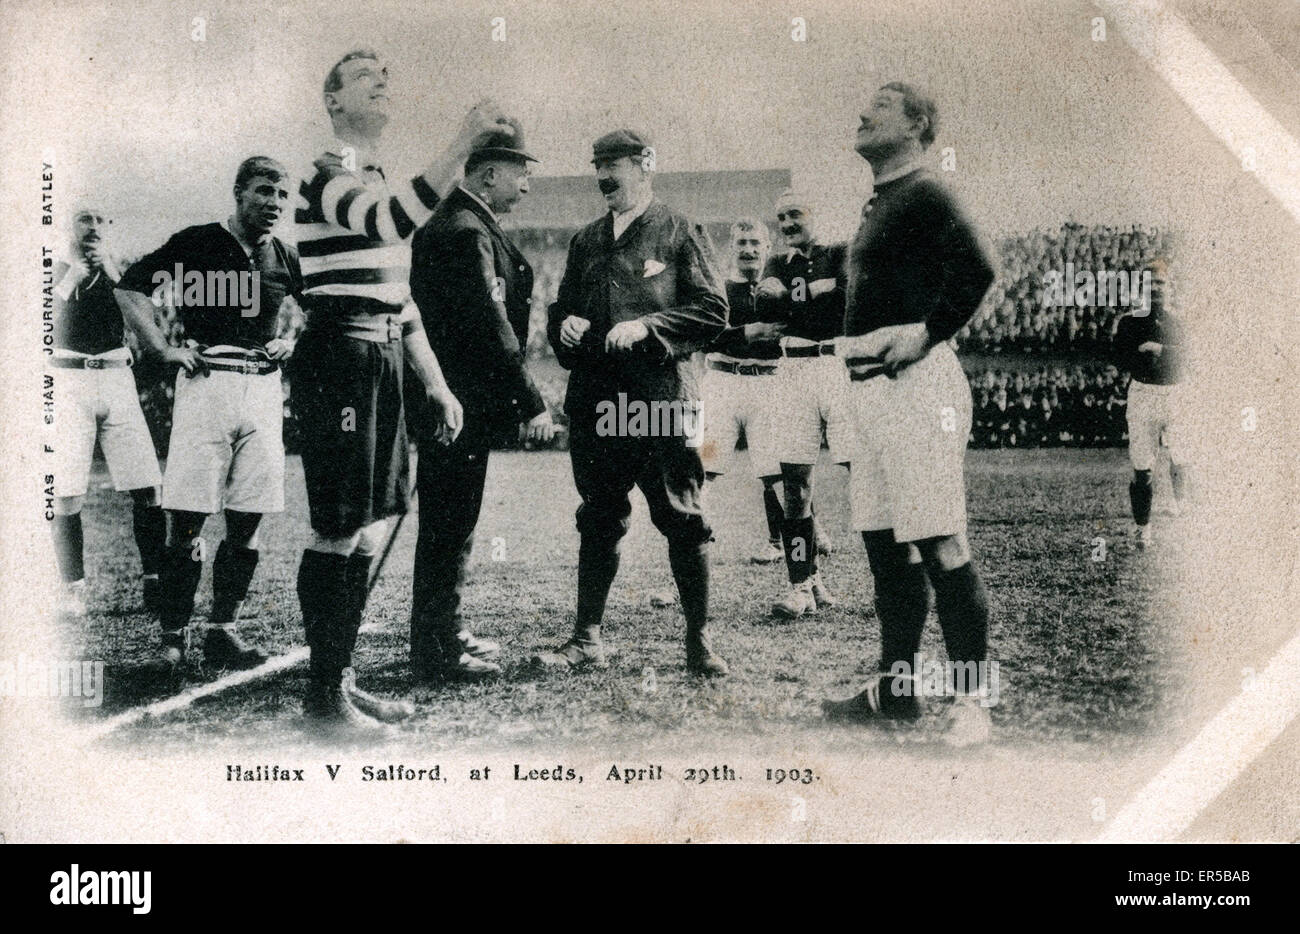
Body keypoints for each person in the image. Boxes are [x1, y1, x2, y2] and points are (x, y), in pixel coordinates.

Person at [291, 47, 510, 731]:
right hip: (340, 358)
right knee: (341, 527)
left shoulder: (379, 178)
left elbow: (401, 300)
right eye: (363, 77)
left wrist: (438, 386)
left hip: (381, 355)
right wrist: (462, 143)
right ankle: (325, 700)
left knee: (368, 529)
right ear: (332, 101)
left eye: (387, 74)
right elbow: (391, 223)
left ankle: (340, 684)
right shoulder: (325, 175)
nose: (382, 81)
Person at [824, 83, 998, 746]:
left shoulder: (927, 189)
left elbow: (979, 268)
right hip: (868, 390)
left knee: (939, 541)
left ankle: (973, 702)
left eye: (883, 102)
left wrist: (927, 332)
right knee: (884, 545)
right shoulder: (881, 199)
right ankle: (896, 692)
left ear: (919, 123)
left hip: (917, 387)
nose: (864, 109)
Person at [538, 129, 730, 676]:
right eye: (596, 163)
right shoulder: (586, 240)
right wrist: (565, 325)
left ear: (645, 164)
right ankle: (587, 637)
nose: (602, 174)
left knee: (681, 516)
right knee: (598, 515)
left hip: (659, 400)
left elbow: (713, 310)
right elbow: (563, 310)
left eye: (613, 163)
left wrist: (648, 326)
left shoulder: (678, 228)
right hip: (599, 401)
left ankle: (699, 641)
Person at [116, 157, 301, 670]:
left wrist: (289, 338)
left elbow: (313, 309)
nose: (274, 204)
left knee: (248, 521)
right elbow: (130, 288)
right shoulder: (196, 242)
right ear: (239, 192)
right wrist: (163, 348)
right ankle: (172, 638)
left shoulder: (283, 254)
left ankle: (224, 629)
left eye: (282, 196)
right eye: (264, 192)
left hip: (264, 390)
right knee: (189, 520)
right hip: (206, 383)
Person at [407, 117, 551, 682]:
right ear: (490, 174)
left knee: (454, 522)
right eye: (522, 172)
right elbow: (492, 329)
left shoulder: (468, 223)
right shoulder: (464, 230)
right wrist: (532, 400)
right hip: (456, 406)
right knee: (449, 522)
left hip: (459, 404)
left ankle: (443, 631)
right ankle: (436, 649)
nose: (528, 183)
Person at [48, 205, 165, 619]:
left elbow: (148, 321)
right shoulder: (51, 269)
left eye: (100, 219)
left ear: (109, 227)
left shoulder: (123, 273)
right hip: (68, 381)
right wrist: (72, 278)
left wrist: (115, 276)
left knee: (148, 486)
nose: (93, 227)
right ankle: (73, 590)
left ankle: (154, 583)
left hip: (117, 379)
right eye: (84, 218)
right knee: (65, 493)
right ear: (68, 225)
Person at [759, 191, 851, 618]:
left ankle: (896, 577)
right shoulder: (777, 262)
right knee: (795, 484)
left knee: (862, 469)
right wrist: (818, 290)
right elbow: (767, 300)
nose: (787, 223)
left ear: (817, 212)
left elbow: (848, 293)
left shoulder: (842, 253)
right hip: (792, 370)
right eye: (780, 217)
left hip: (837, 367)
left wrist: (797, 294)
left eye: (795, 213)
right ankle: (802, 584)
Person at [699, 217, 786, 565]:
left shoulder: (782, 289)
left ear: (767, 246)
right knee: (704, 464)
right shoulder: (717, 289)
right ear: (732, 248)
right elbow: (704, 335)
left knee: (776, 469)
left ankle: (780, 541)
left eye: (755, 243)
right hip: (722, 382)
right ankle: (697, 541)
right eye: (742, 243)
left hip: (768, 382)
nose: (749, 249)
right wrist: (748, 332)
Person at [1114, 261, 1186, 548]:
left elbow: (1194, 355)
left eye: (1161, 284)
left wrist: (1161, 350)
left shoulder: (1180, 320)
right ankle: (1143, 529)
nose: (1157, 289)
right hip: (1143, 393)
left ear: (1170, 287)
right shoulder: (1130, 321)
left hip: (1176, 393)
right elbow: (1118, 357)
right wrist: (1137, 354)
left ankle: (1183, 508)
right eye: (1151, 284)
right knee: (1142, 467)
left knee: (1182, 458)